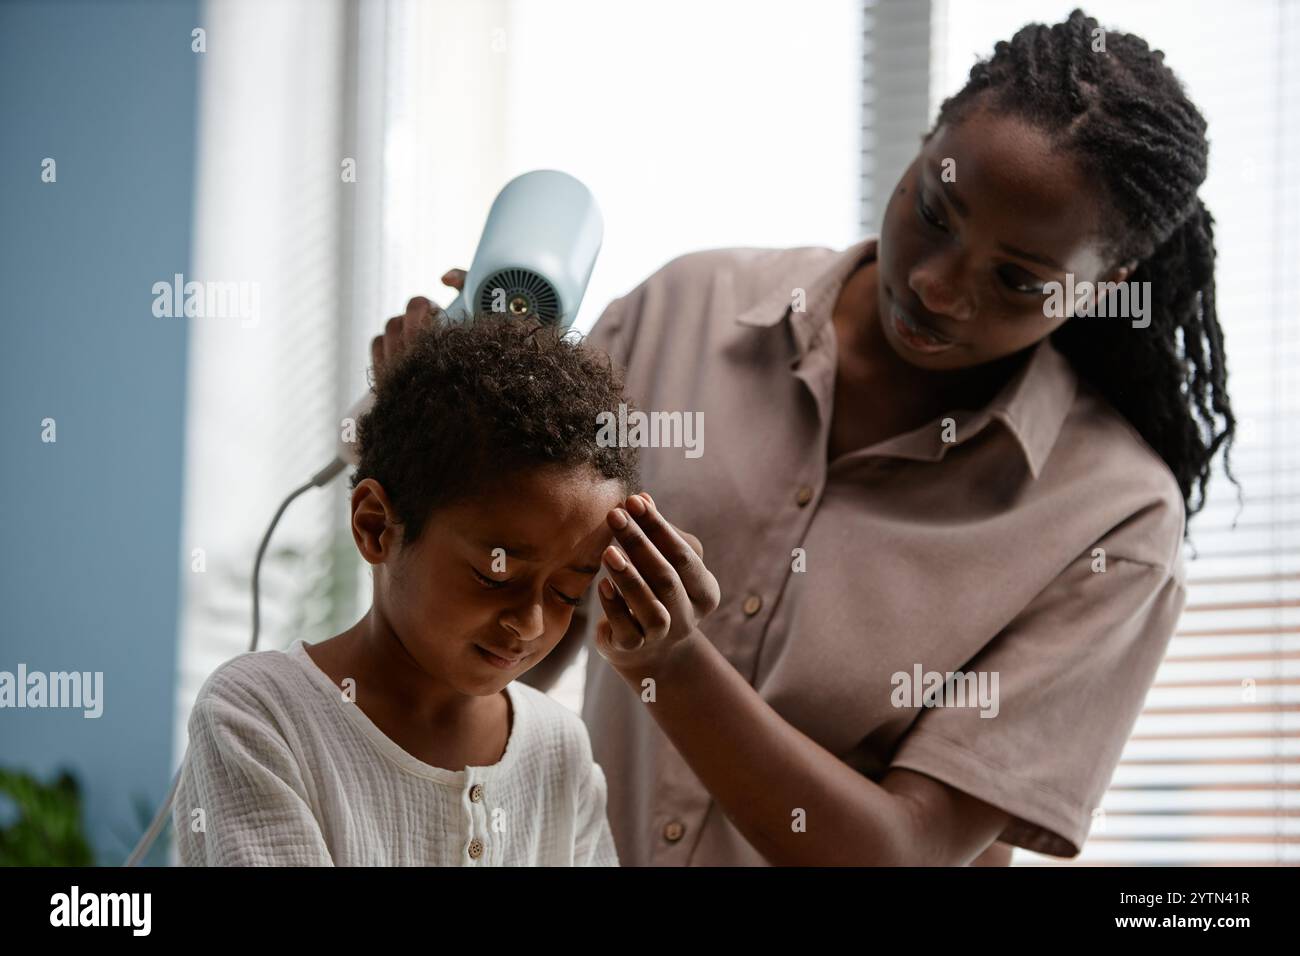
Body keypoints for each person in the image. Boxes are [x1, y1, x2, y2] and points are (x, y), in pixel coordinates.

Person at [382, 8, 1238, 866]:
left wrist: (674, 666)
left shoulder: (1113, 522)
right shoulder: (683, 311)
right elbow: (511, 646)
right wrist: (437, 463)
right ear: (926, 138)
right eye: (936, 214)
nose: (939, 287)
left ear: (1105, 286)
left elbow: (905, 852)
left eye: (1017, 279)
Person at [173, 315, 639, 865]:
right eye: (495, 576)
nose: (532, 623)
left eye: (567, 592)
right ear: (376, 526)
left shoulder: (560, 748)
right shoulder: (261, 715)